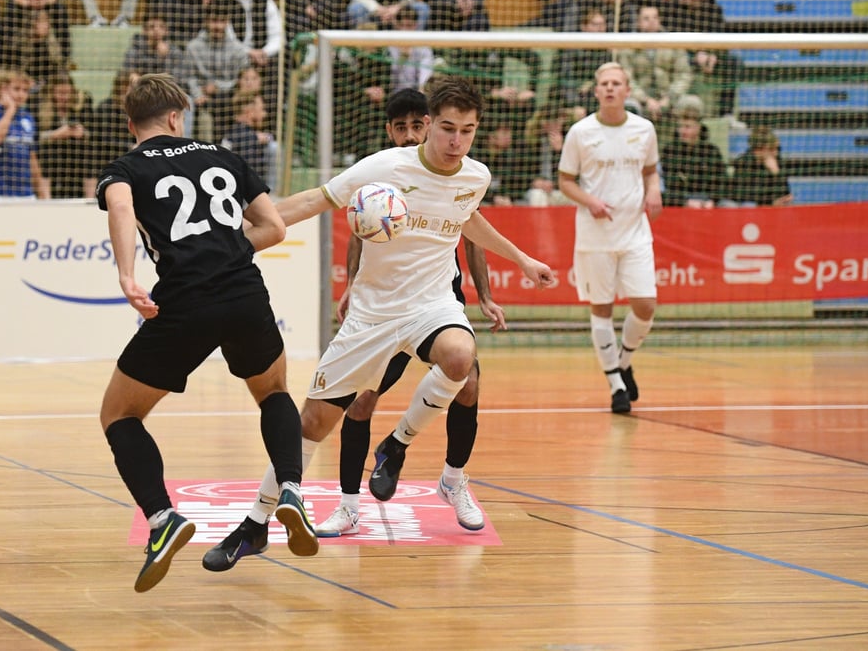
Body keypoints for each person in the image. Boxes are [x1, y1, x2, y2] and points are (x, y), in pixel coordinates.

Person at [200, 75, 555, 568]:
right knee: (311, 424)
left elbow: (469, 216)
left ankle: (397, 443)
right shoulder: (385, 167)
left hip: (432, 304)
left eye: (468, 131)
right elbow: (315, 200)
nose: (457, 141)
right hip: (373, 313)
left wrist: (522, 259)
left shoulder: (475, 175)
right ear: (429, 124)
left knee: (460, 358)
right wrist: (240, 234)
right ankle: (254, 525)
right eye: (448, 129)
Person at [94, 72, 317, 593]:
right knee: (273, 393)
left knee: (119, 415)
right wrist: (225, 251)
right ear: (177, 117)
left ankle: (162, 518)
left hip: (184, 302)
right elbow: (274, 227)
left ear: (132, 124)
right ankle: (290, 489)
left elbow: (121, 207)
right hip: (245, 295)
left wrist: (127, 276)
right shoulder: (222, 155)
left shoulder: (124, 168)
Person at [314, 87, 505, 537]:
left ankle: (453, 480)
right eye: (400, 127)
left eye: (416, 125)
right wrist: (351, 285)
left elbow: (472, 231)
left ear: (429, 126)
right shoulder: (385, 173)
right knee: (361, 399)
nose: (409, 134)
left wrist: (485, 296)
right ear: (390, 131)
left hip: (434, 301)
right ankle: (348, 506)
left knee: (467, 379)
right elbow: (362, 231)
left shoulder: (459, 174)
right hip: (383, 305)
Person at [558, 62, 662, 414]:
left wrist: (654, 190)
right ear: (596, 91)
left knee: (645, 305)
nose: (610, 88)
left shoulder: (644, 129)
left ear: (627, 90)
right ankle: (616, 385)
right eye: (604, 84)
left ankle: (624, 360)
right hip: (595, 236)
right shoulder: (580, 132)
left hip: (635, 232)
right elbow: (565, 181)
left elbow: (650, 171)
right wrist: (590, 201)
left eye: (617, 83)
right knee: (601, 308)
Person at [0, 68, 50, 199]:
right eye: (16, 89)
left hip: (26, 194)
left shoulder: (28, 117)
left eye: (25, 90)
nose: (21, 95)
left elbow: (32, 157)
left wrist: (42, 192)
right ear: (2, 89)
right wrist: (10, 110)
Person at [616, 5, 693, 129]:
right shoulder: (628, 46)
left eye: (655, 17)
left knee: (691, 103)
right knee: (629, 106)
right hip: (639, 99)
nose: (651, 21)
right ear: (638, 22)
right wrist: (645, 100)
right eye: (646, 18)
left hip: (670, 97)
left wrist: (669, 98)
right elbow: (626, 78)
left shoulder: (674, 43)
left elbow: (684, 75)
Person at [185, 4, 251, 141]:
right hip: (202, 98)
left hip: (230, 96)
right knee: (199, 110)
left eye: (222, 21)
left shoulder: (237, 49)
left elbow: (242, 78)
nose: (218, 26)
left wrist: (218, 86)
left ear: (227, 22)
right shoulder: (193, 47)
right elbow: (189, 76)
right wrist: (198, 94)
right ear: (206, 21)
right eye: (214, 21)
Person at [659, 95, 727, 207]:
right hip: (679, 202)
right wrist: (685, 202)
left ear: (698, 127)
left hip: (708, 202)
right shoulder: (669, 151)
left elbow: (722, 183)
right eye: (680, 126)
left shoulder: (712, 151)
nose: (683, 131)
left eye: (688, 127)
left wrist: (712, 201)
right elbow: (667, 187)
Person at [37, 71, 96, 198]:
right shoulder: (40, 108)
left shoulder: (82, 108)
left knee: (88, 152)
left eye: (67, 93)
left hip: (75, 156)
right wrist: (55, 134)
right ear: (51, 92)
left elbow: (93, 133)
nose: (64, 97)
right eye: (60, 93)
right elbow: (35, 137)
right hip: (51, 156)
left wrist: (82, 133)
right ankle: (46, 198)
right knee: (48, 152)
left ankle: (90, 197)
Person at [724, 126, 793, 207]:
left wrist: (776, 172)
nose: (776, 152)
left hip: (772, 205)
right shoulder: (743, 163)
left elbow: (786, 193)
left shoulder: (777, 161)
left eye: (778, 148)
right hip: (747, 205)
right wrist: (770, 204)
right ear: (758, 150)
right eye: (772, 149)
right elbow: (743, 196)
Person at [220, 89, 275, 184]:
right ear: (249, 111)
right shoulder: (248, 139)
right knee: (274, 147)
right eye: (262, 109)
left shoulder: (233, 132)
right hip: (243, 188)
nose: (264, 114)